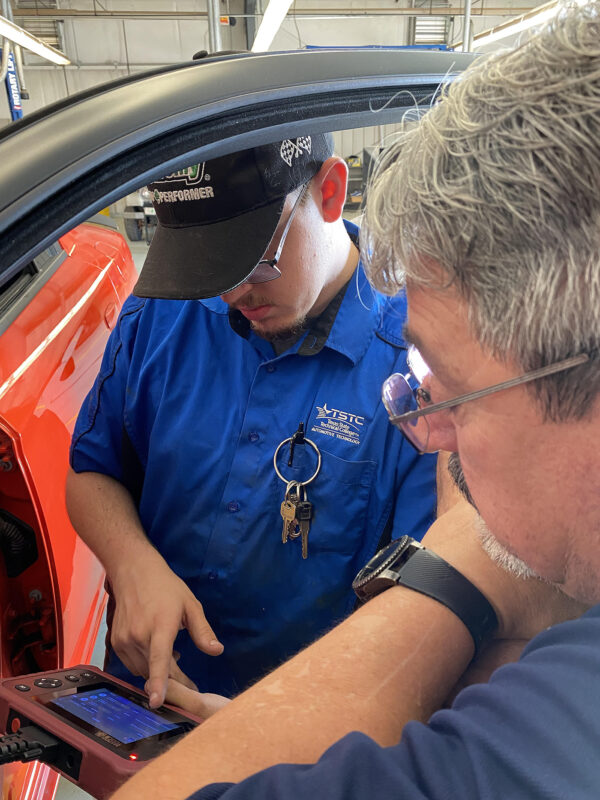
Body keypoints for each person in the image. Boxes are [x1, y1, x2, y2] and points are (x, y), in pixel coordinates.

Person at [109, 4, 600, 798]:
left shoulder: (558, 725)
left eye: (457, 393)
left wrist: (272, 725)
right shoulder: (162, 314)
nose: (427, 428)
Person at [66, 133, 438, 707]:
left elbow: (424, 608)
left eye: (256, 259)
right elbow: (91, 472)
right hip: (144, 703)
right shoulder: (165, 311)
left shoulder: (419, 368)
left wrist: (274, 727)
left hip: (309, 742)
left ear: (331, 192)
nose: (234, 291)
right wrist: (131, 562)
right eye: (208, 265)